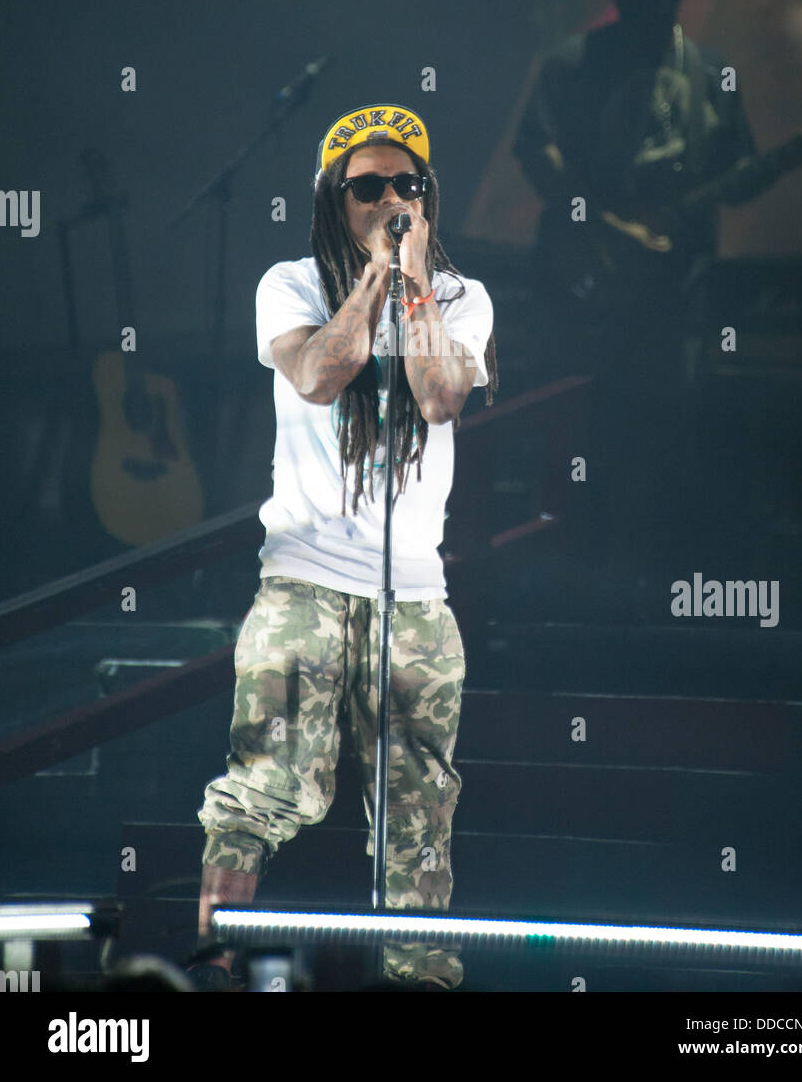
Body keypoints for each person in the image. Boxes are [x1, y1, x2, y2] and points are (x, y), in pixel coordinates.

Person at [193, 104, 497, 992]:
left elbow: (440, 397)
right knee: (261, 787)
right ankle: (215, 965)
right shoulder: (286, 283)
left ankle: (418, 980)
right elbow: (322, 375)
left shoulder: (460, 297)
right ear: (334, 200)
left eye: (409, 184)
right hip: (303, 583)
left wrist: (411, 286)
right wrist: (371, 280)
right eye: (369, 187)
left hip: (414, 596)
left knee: (417, 811)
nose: (392, 199)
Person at [512, 0, 802, 555]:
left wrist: (797, 157)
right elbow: (537, 149)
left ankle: (656, 569)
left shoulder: (713, 73)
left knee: (666, 427)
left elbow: (735, 180)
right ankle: (564, 563)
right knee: (576, 424)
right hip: (584, 287)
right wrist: (607, 228)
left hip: (672, 295)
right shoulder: (571, 64)